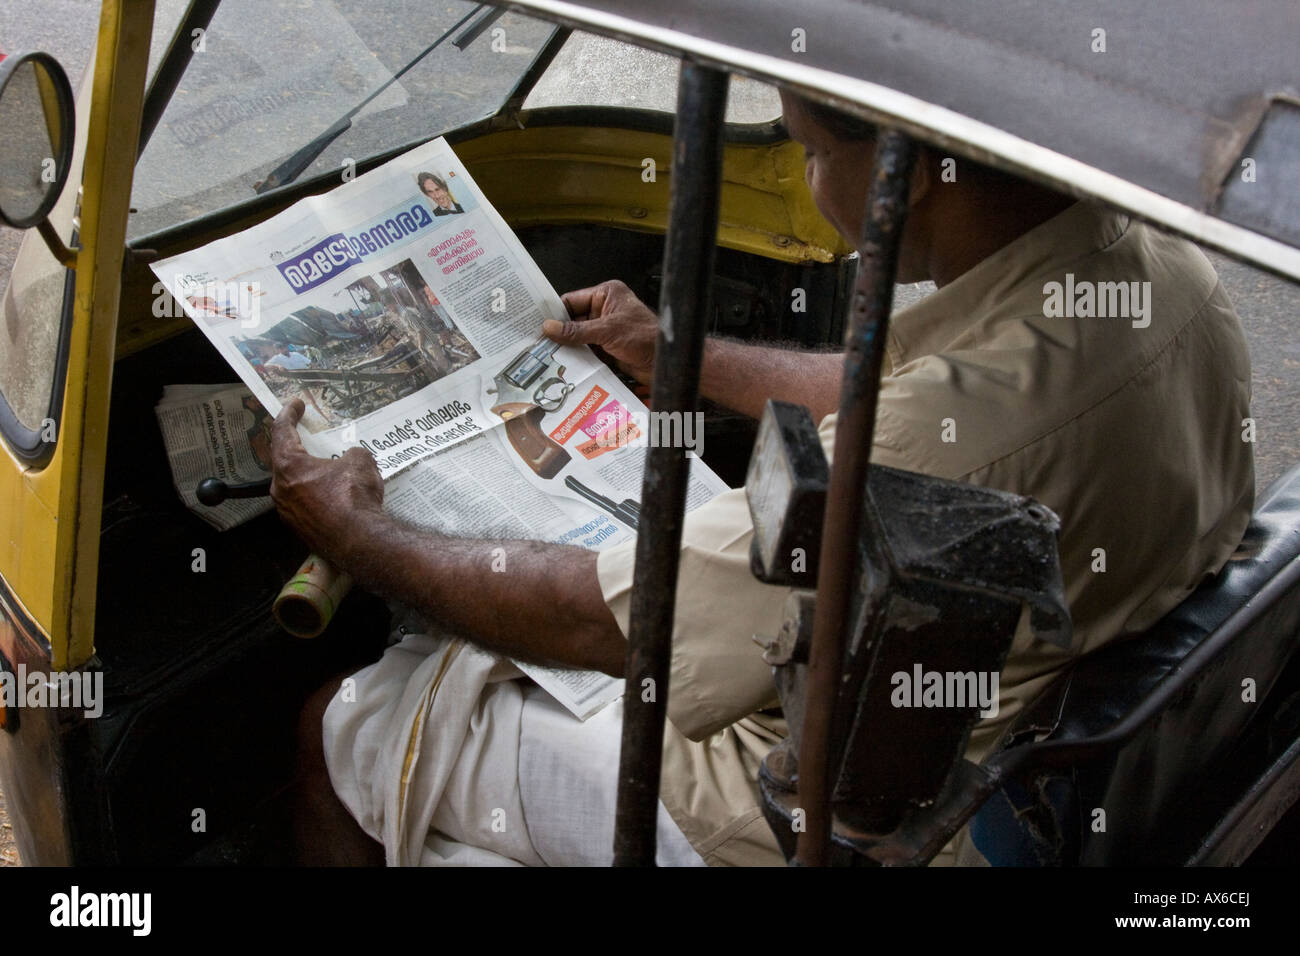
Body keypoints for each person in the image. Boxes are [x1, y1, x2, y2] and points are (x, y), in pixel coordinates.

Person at [276, 89, 1254, 866]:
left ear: (905, 175)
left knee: (343, 721)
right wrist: (684, 356)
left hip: (815, 811)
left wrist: (357, 533)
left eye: (817, 153)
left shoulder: (923, 450)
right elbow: (923, 390)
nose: (814, 184)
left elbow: (606, 618)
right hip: (1031, 739)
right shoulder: (1160, 273)